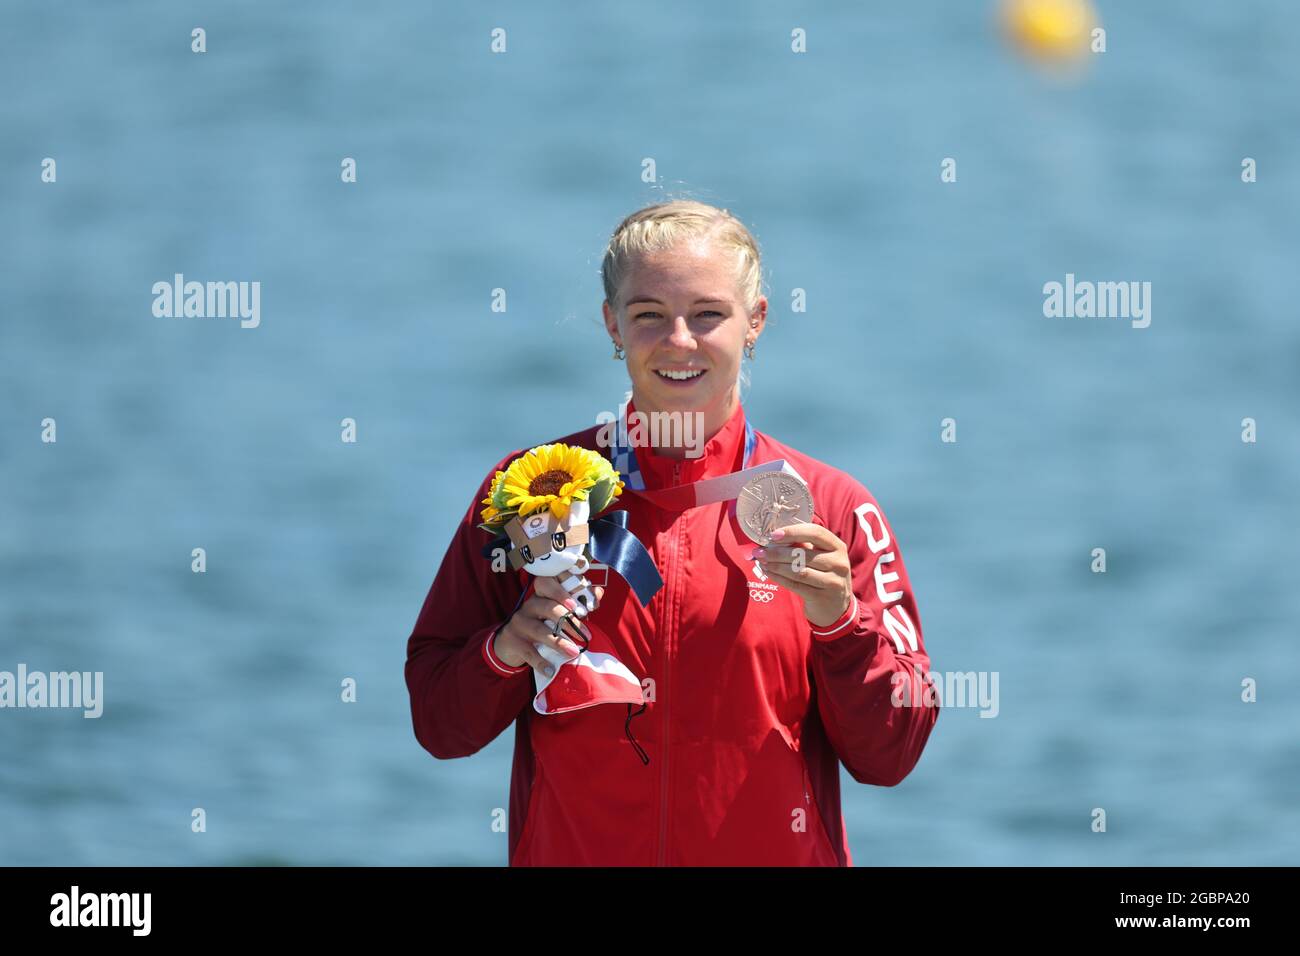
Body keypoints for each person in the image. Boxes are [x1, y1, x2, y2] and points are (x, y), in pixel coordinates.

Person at [404, 200, 939, 866]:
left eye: (708, 314)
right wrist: (506, 650)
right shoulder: (531, 492)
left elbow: (892, 754)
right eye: (649, 314)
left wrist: (839, 625)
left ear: (756, 322)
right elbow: (437, 723)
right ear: (612, 325)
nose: (679, 340)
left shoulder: (831, 507)